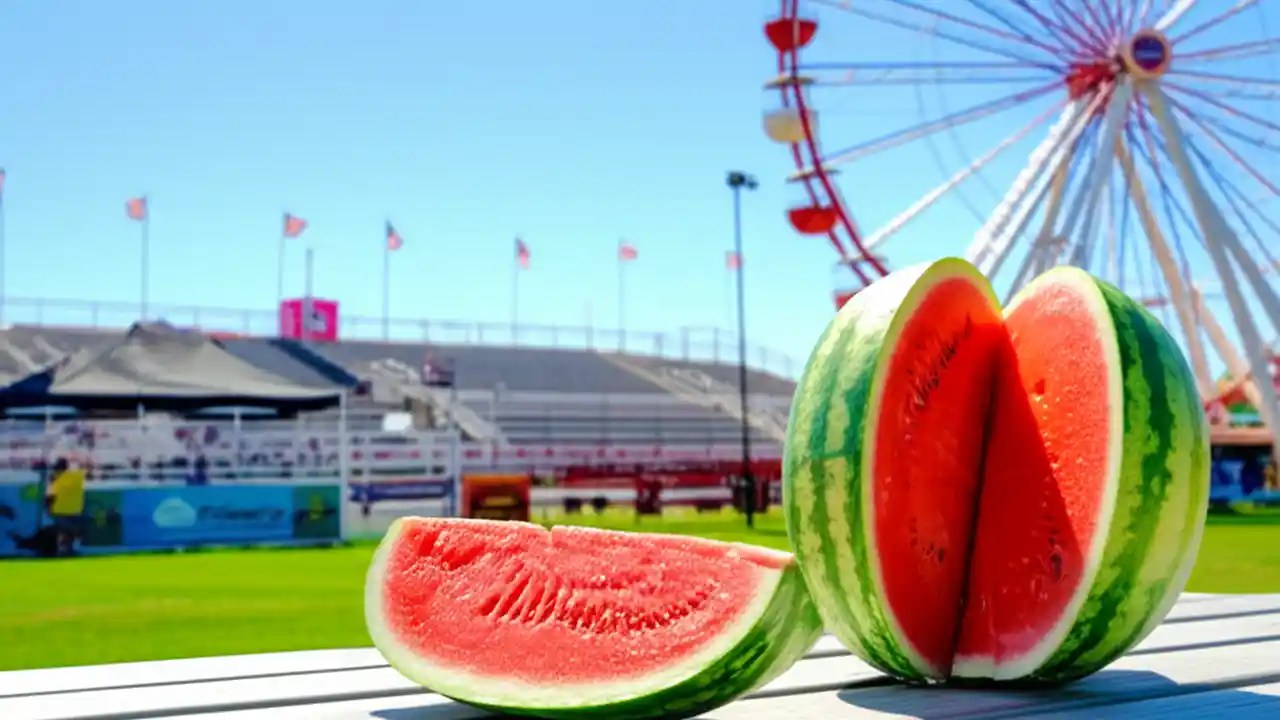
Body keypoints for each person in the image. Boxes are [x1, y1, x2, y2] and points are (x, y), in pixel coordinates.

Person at [45, 457, 87, 556]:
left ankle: (65, 550)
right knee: (69, 532)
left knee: (65, 531)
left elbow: (50, 496)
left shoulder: (55, 478)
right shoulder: (77, 476)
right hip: (75, 509)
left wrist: (48, 508)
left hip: (61, 510)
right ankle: (67, 550)